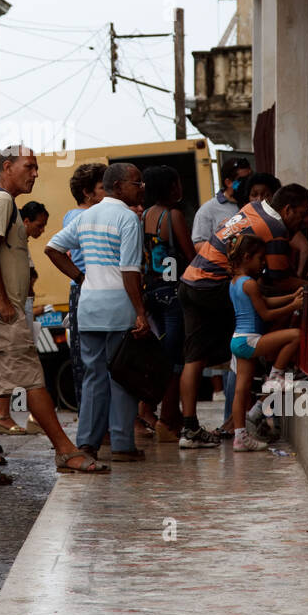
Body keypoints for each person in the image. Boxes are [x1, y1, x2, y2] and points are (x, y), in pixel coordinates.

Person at [0, 146, 109, 483]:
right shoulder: (0, 200)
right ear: (8, 167)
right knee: (31, 377)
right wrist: (3, 299)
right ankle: (66, 450)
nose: (35, 174)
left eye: (36, 168)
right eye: (28, 167)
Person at [178, 183, 308, 446]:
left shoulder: (252, 208)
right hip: (212, 286)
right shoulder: (274, 230)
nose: (304, 220)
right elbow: (279, 279)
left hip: (190, 280)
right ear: (287, 210)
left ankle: (190, 429)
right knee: (246, 349)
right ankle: (273, 378)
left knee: (194, 358)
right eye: (303, 213)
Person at [45, 162, 150, 462]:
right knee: (122, 376)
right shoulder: (128, 219)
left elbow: (52, 249)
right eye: (136, 183)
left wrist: (81, 277)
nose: (141, 188)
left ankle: (87, 443)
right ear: (118, 186)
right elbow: (130, 271)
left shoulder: (86, 216)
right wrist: (141, 312)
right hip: (118, 306)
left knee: (93, 376)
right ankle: (121, 444)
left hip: (89, 306)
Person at [226, 236, 303, 451]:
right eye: (260, 258)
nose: (263, 264)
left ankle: (240, 436)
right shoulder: (250, 283)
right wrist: (294, 305)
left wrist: (290, 297)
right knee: (295, 335)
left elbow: (265, 301)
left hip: (238, 340)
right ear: (247, 257)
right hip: (251, 340)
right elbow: (267, 314)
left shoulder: (235, 281)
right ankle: (277, 374)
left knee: (241, 391)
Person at [139, 165, 195, 441]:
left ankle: (148, 412)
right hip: (173, 295)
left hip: (151, 293)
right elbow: (190, 255)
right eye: (176, 182)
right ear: (170, 187)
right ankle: (167, 421)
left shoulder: (145, 216)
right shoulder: (173, 216)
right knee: (177, 360)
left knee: (160, 357)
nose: (179, 187)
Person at [0, 200, 50, 436]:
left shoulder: (22, 244)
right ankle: (4, 414)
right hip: (17, 306)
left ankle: (33, 414)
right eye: (39, 225)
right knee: (15, 357)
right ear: (25, 221)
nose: (42, 230)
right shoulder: (13, 243)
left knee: (26, 358)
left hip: (23, 304)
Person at [60, 162, 106, 415]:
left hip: (85, 288)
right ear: (88, 192)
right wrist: (81, 277)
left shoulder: (74, 215)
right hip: (88, 288)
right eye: (102, 187)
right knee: (90, 361)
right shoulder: (83, 217)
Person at [190, 156, 252, 245]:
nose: (249, 183)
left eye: (250, 178)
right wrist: (221, 236)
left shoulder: (254, 203)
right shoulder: (207, 210)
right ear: (228, 182)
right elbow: (198, 246)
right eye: (243, 180)